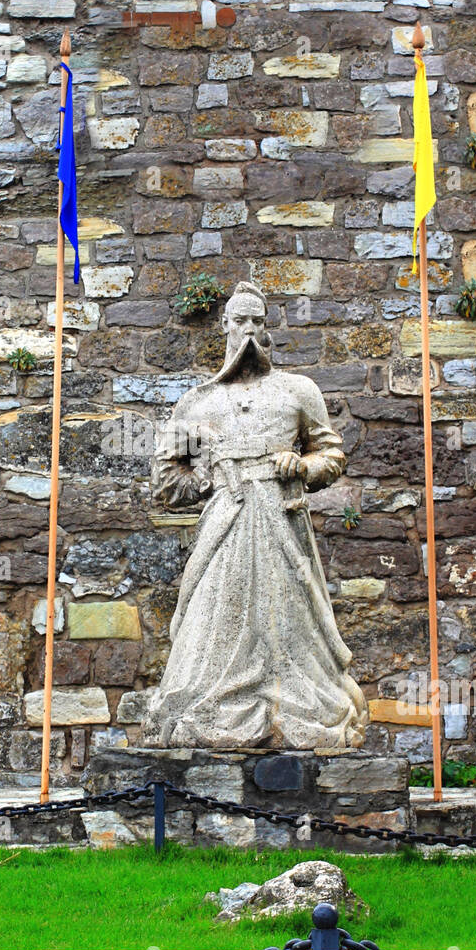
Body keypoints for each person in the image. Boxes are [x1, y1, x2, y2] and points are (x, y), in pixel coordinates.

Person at [143, 281, 367, 749]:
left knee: (290, 617)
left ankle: (299, 708)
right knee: (212, 617)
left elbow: (331, 455)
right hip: (226, 523)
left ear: (267, 328)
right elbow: (165, 481)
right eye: (240, 320)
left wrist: (302, 466)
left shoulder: (297, 391)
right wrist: (209, 478)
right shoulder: (198, 401)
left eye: (257, 321)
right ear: (225, 325)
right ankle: (206, 705)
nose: (248, 329)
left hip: (282, 522)